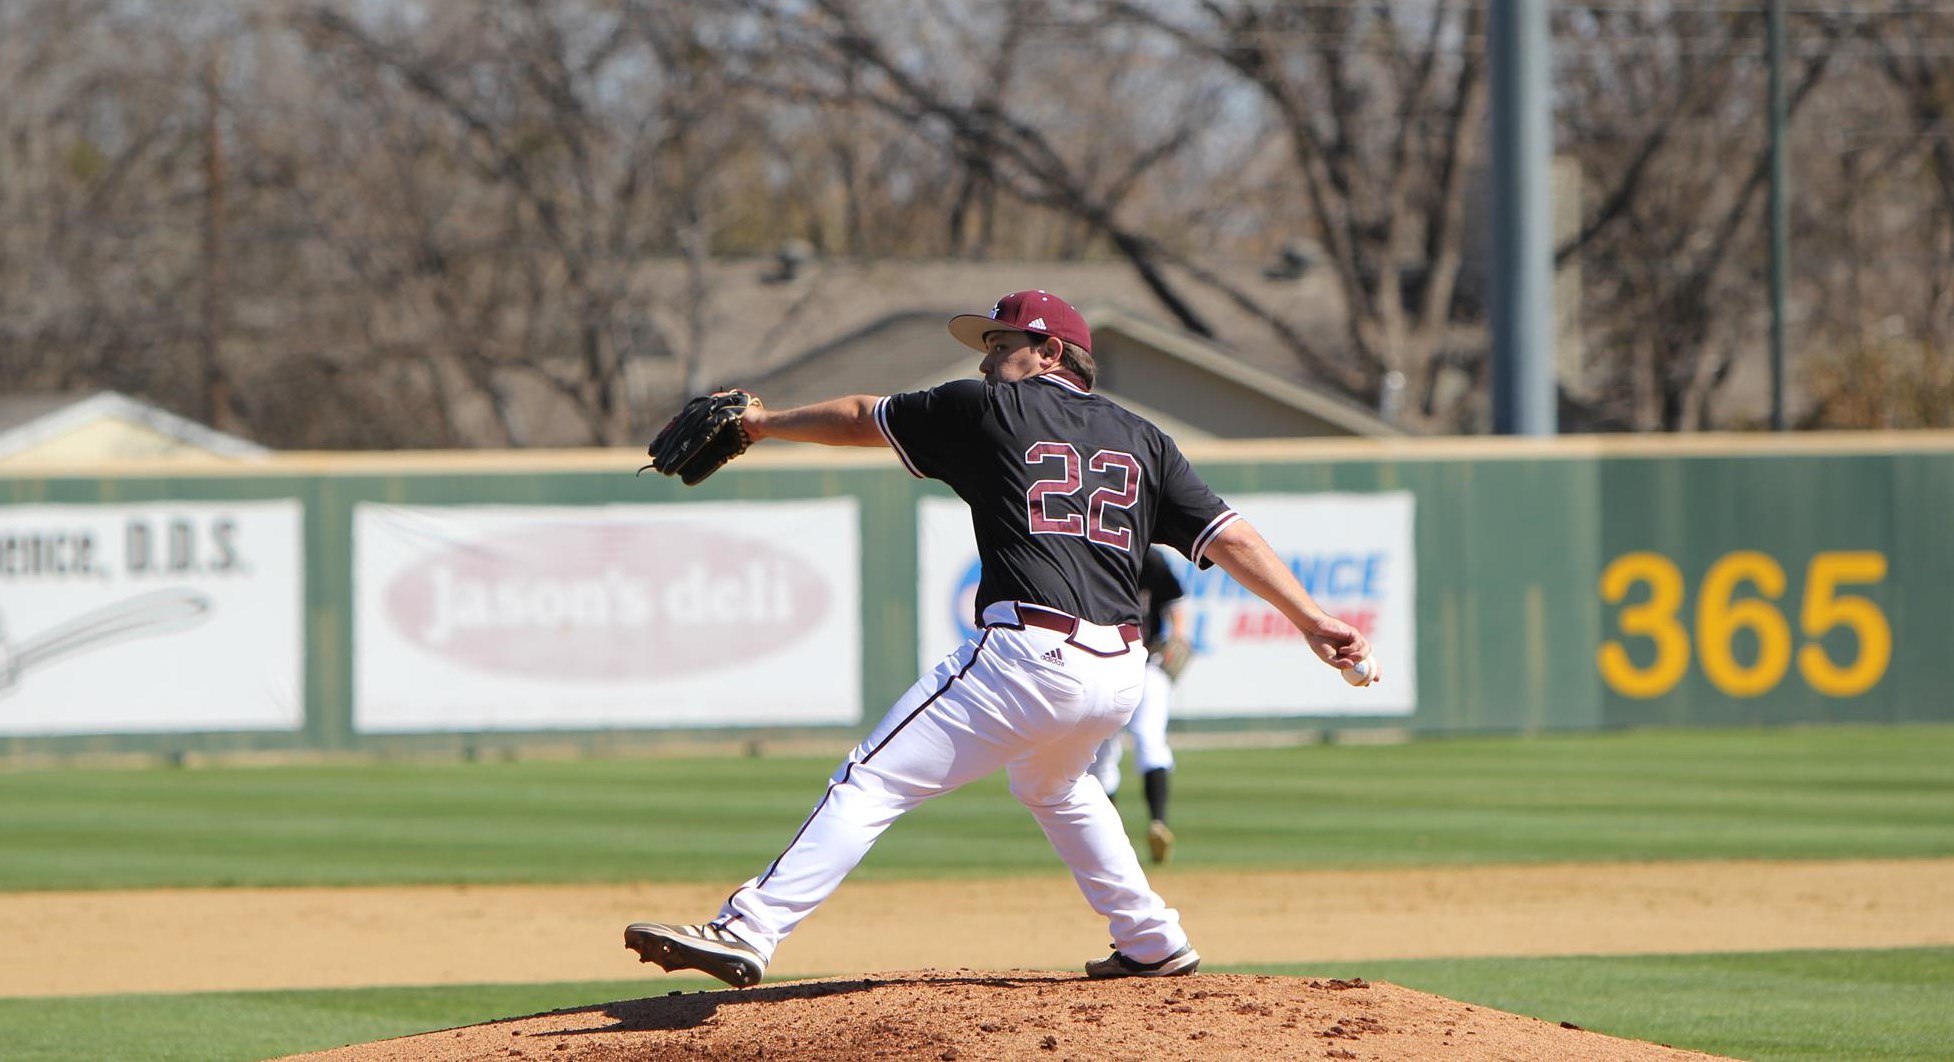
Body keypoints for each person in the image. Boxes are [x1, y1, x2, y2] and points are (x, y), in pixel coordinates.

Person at [625, 289, 1374, 988]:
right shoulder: (1146, 438)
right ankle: (1152, 941)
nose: (987, 358)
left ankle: (746, 929)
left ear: (1050, 353)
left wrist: (763, 422)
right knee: (1058, 785)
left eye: (1001, 342)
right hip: (1120, 670)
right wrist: (1311, 618)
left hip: (1031, 655)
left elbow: (862, 415)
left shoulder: (990, 408)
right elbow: (1228, 535)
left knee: (873, 780)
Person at [1088, 546, 1190, 865]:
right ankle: (1111, 844)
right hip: (1100, 665)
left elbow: (1176, 603)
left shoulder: (1149, 557)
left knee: (1146, 738)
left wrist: (1178, 636)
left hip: (1147, 663)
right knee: (1102, 754)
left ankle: (1157, 825)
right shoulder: (1088, 555)